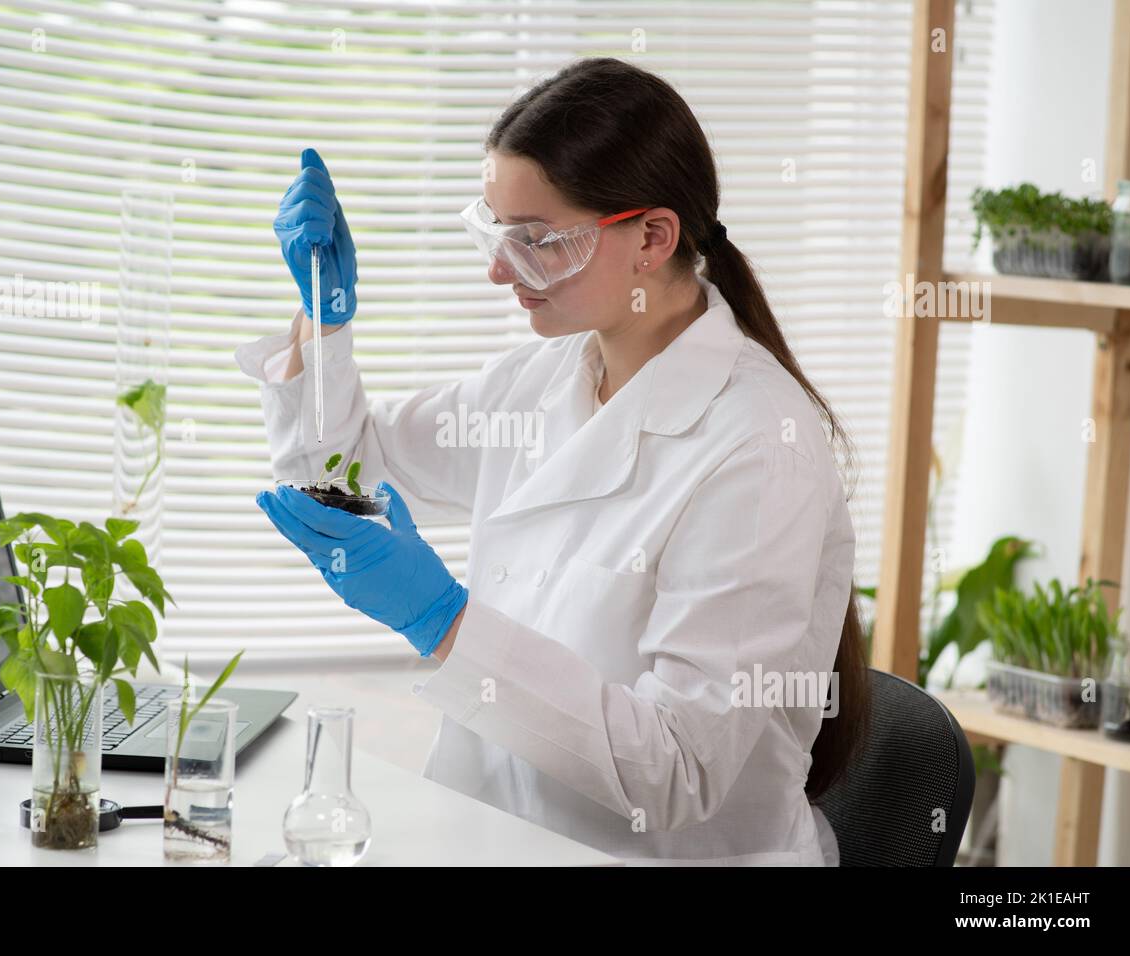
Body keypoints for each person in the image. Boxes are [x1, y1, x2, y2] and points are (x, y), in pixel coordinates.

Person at [237, 56, 868, 866]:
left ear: (653, 237)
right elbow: (343, 469)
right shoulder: (546, 378)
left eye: (535, 240)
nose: (500, 269)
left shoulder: (758, 447)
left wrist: (444, 621)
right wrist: (319, 322)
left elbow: (677, 771)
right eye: (495, 231)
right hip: (503, 838)